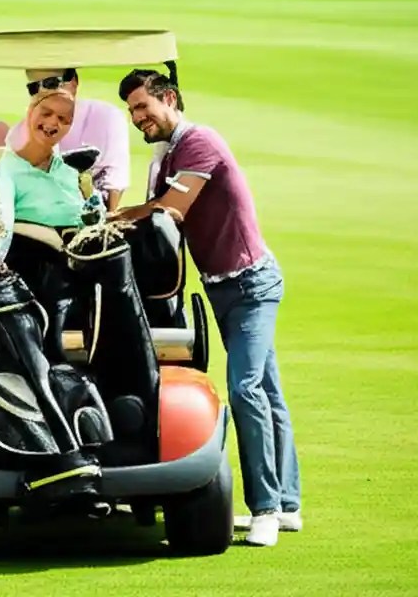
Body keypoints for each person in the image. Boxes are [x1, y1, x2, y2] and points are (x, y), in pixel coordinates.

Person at [109, 69, 301, 547]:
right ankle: (290, 502)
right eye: (132, 111)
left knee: (246, 391)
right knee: (269, 392)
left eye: (143, 108)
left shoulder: (199, 142)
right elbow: (157, 206)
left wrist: (122, 215)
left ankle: (266, 510)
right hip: (220, 289)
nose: (137, 119)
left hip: (251, 285)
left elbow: (171, 209)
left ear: (168, 98)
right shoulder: (165, 154)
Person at [0, 87, 91, 363]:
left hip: (75, 267)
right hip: (28, 269)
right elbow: (0, 227)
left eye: (63, 119)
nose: (53, 123)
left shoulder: (67, 172)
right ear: (30, 113)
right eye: (47, 113)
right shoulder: (7, 170)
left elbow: (89, 215)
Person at [0, 68, 131, 211]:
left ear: (73, 83)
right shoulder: (25, 129)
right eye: (34, 88)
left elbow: (114, 180)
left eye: (50, 84)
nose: (43, 92)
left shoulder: (107, 116)